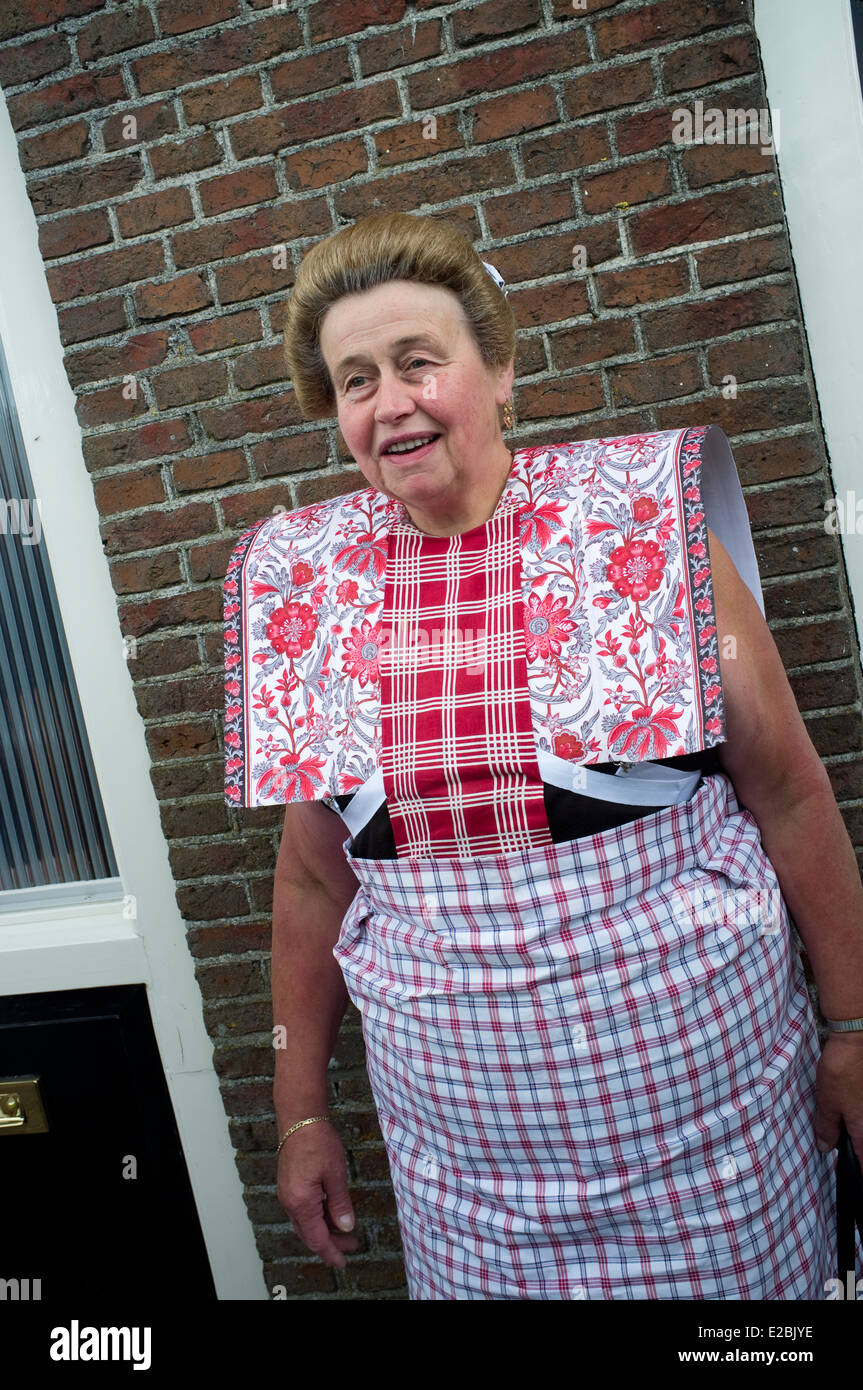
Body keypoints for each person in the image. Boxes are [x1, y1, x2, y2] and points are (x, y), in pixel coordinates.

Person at [223, 210, 863, 1300]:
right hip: (471, 1193)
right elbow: (313, 874)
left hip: (713, 1156)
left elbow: (792, 798)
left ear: (501, 368)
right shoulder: (303, 588)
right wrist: (298, 1110)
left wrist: (851, 1028)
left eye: (420, 361)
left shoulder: (639, 531)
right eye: (355, 381)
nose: (392, 401)